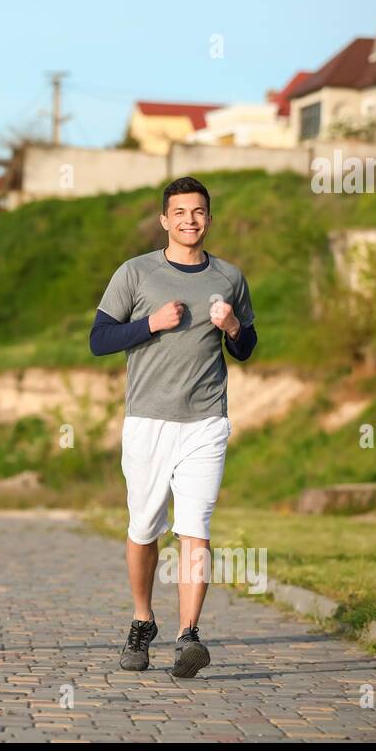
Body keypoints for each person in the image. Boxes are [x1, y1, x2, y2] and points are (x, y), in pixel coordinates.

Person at [90, 176, 257, 677]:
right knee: (144, 527)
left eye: (199, 211)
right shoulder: (135, 273)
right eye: (180, 212)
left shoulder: (229, 278)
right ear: (165, 220)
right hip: (148, 421)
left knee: (196, 528)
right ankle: (143, 620)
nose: (190, 220)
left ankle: (189, 635)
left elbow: (246, 348)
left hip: (206, 420)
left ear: (209, 218)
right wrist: (150, 324)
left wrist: (232, 327)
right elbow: (99, 339)